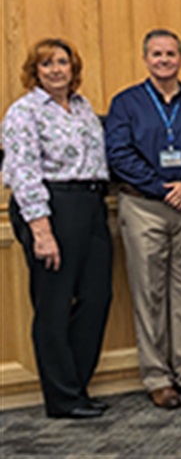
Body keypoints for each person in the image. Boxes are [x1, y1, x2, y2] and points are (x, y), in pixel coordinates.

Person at [105, 29, 181, 409]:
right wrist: (160, 187)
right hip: (144, 206)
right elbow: (118, 153)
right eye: (157, 54)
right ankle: (157, 378)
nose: (164, 60)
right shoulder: (126, 103)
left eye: (171, 54)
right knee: (149, 293)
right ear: (145, 59)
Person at [3, 38, 112, 419]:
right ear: (34, 72)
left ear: (73, 68)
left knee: (97, 297)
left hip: (91, 203)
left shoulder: (82, 107)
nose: (55, 70)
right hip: (51, 206)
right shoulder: (24, 112)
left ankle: (77, 386)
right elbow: (23, 172)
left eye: (62, 62)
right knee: (53, 302)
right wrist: (41, 230)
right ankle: (62, 398)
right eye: (46, 64)